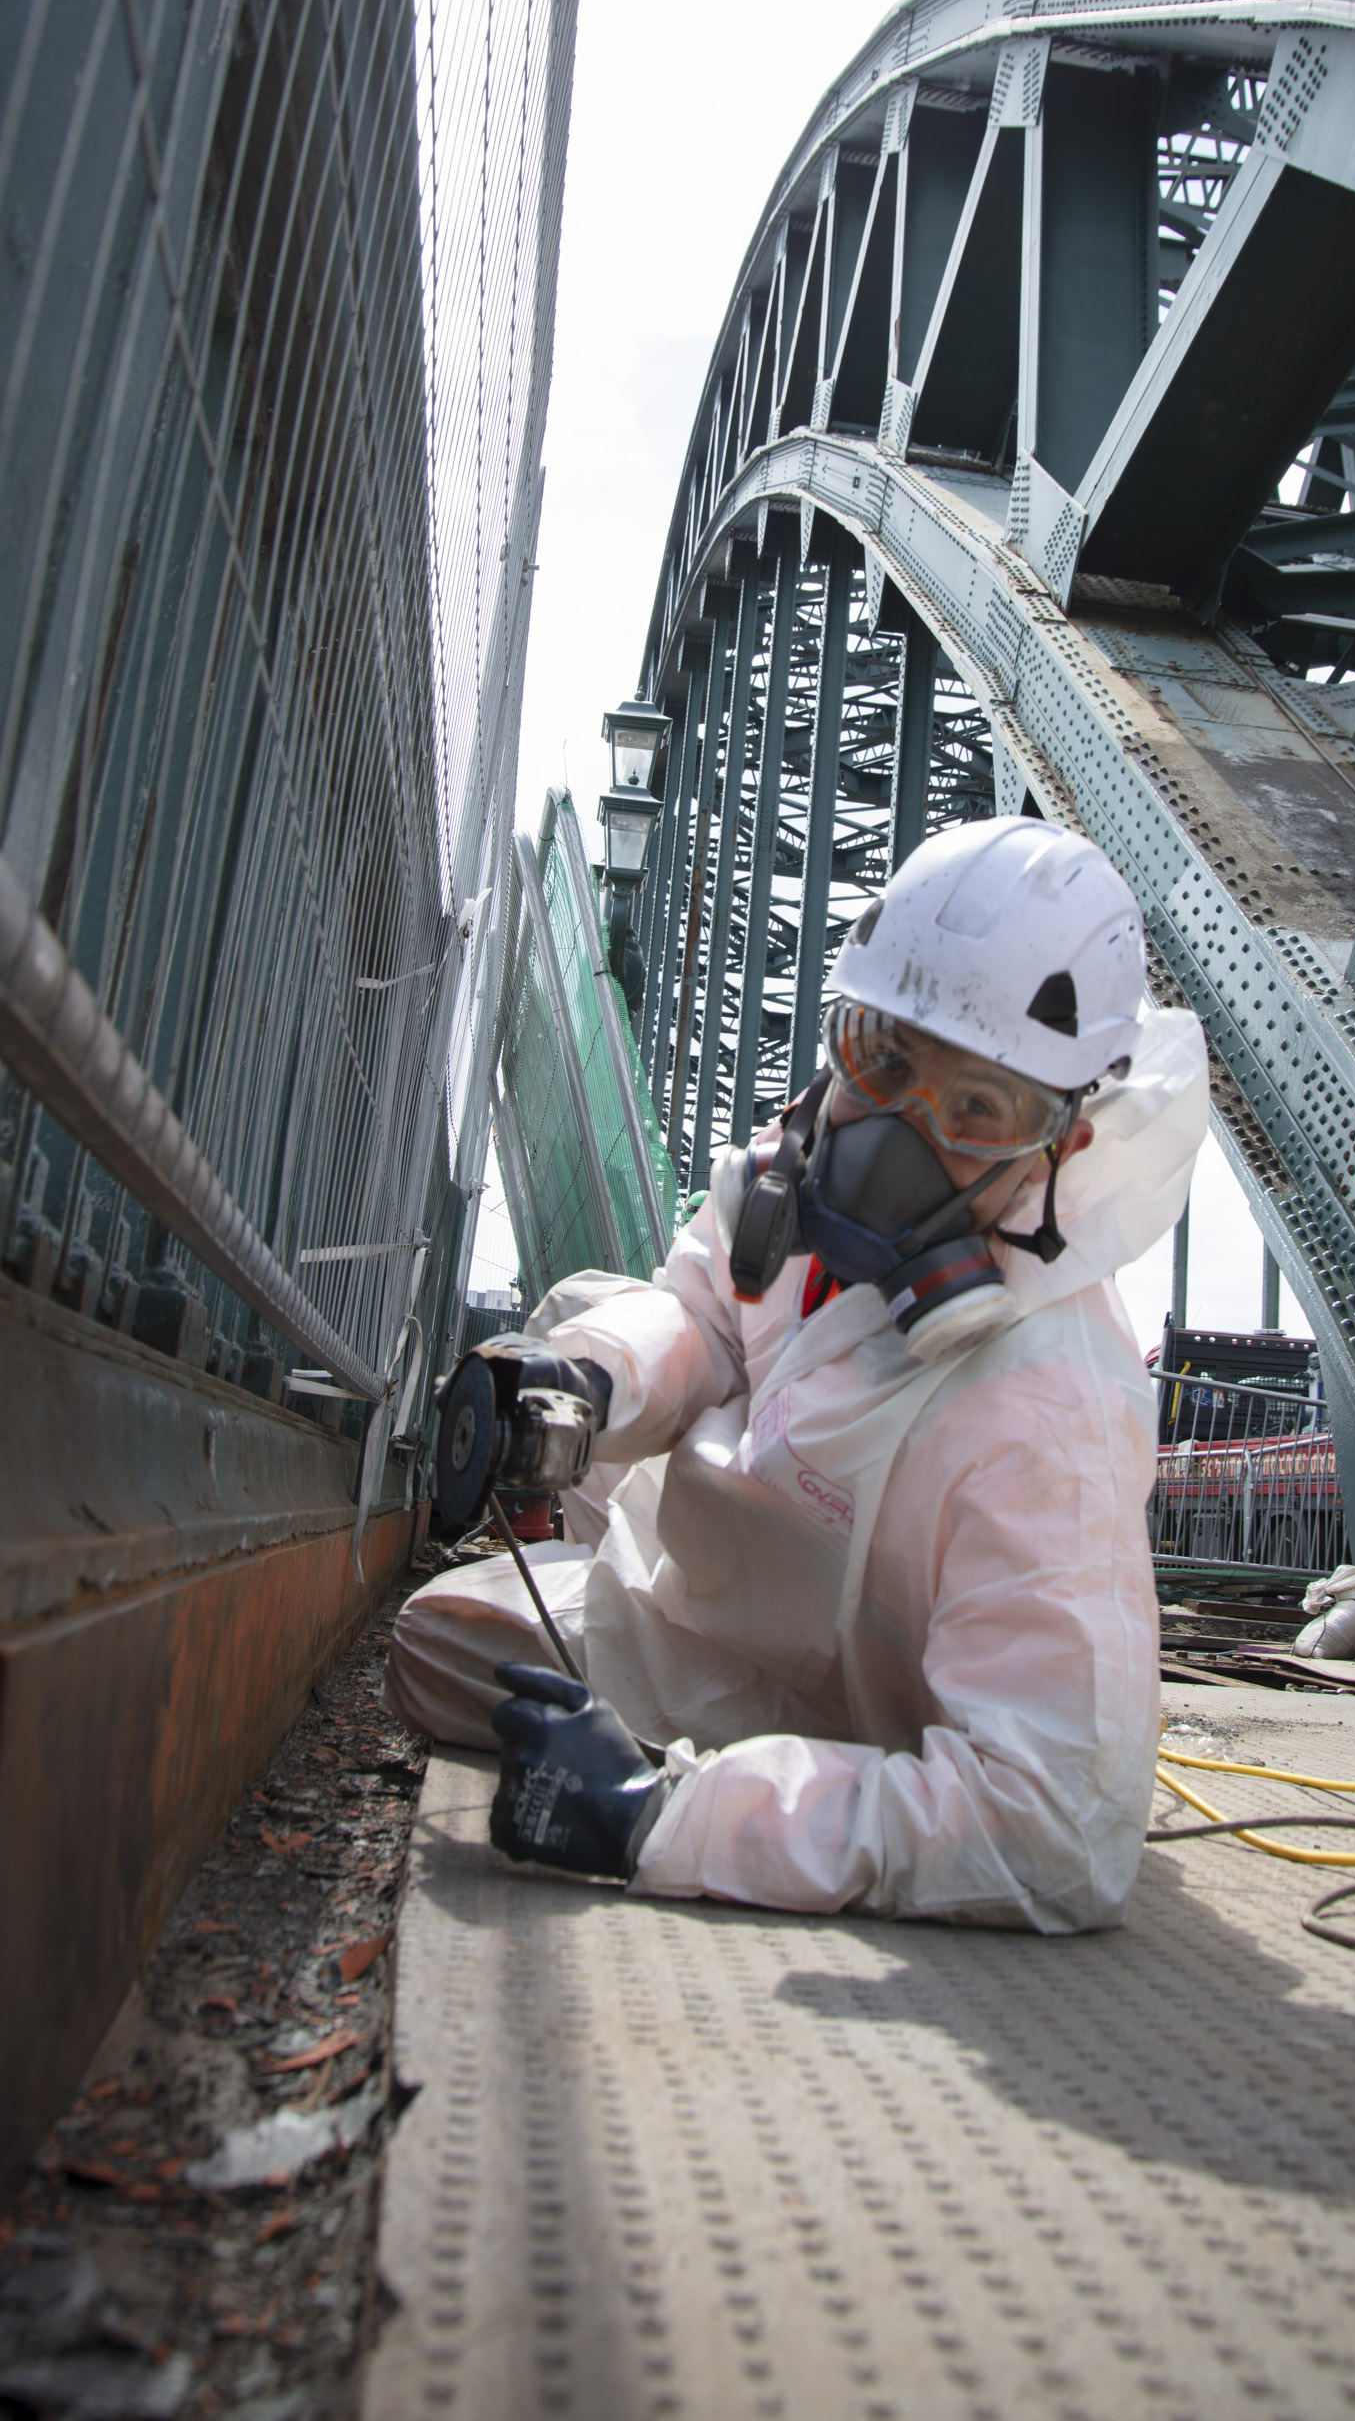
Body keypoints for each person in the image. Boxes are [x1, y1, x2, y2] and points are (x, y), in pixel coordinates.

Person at [385, 814, 1207, 1933]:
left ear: (1058, 1144)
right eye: (883, 1057)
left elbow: (1056, 1828)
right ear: (839, 1033)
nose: (890, 1135)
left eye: (975, 1109)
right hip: (741, 1617)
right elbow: (704, 1322)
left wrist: (659, 1820)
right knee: (446, 1618)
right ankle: (639, 1679)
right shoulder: (783, 1208)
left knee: (475, 1662)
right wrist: (583, 1393)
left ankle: (752, 1779)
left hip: (884, 1731)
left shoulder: (1047, 1403)